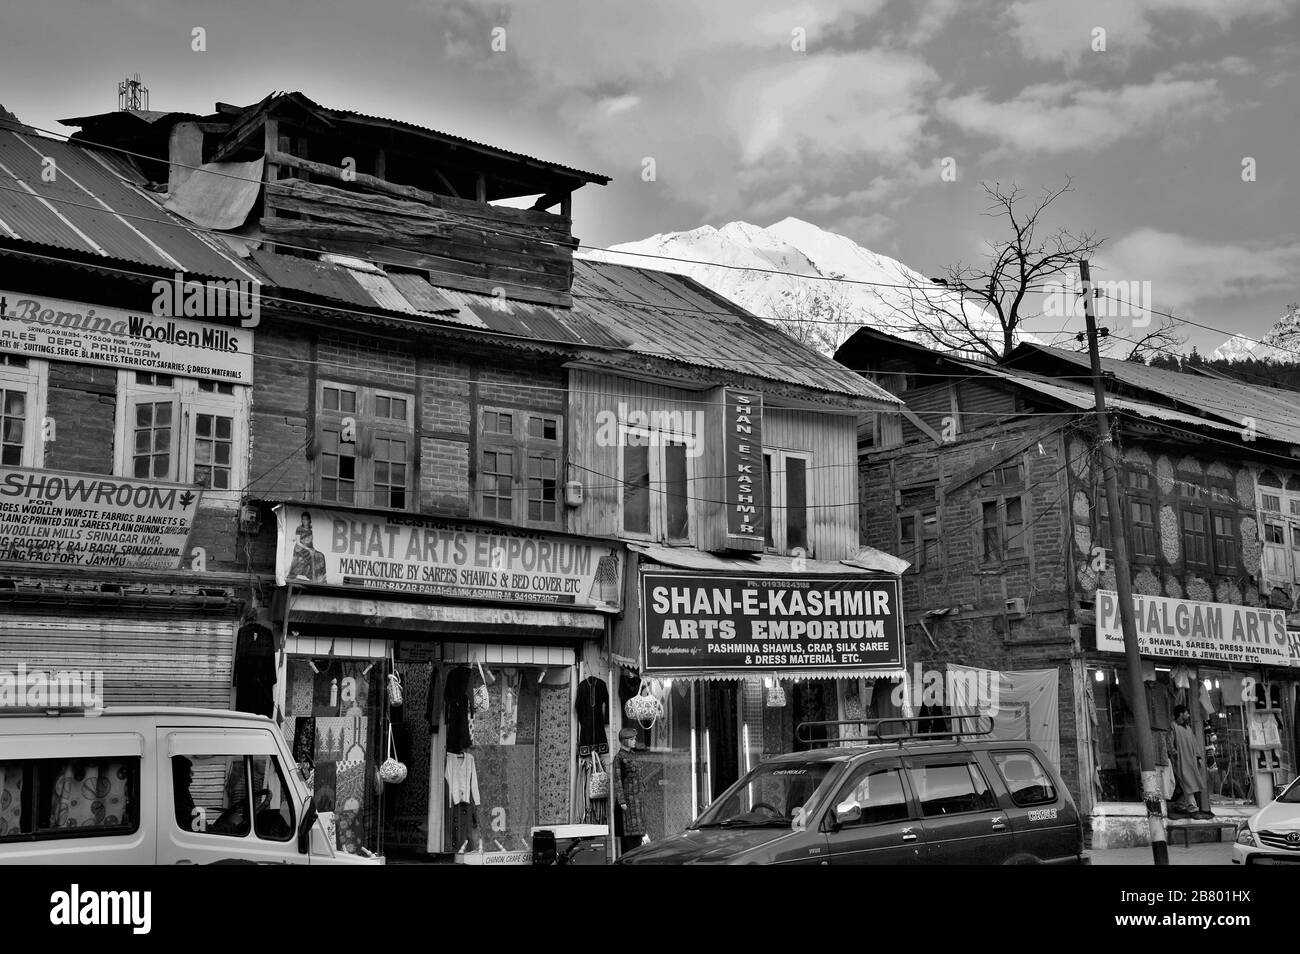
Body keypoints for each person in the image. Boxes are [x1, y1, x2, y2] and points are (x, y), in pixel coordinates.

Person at [1169, 704, 1211, 817]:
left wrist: (1198, 757)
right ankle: (1193, 808)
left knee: (1192, 783)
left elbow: (1194, 743)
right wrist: (1175, 754)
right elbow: (1170, 743)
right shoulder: (1173, 726)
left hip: (1191, 760)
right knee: (1187, 783)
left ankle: (1180, 804)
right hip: (1181, 761)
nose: (1188, 715)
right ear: (1181, 714)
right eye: (1186, 712)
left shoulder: (1188, 728)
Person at [613, 727, 646, 856]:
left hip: (638, 802)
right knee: (629, 842)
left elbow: (639, 776)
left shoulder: (633, 755)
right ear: (624, 740)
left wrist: (642, 788)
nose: (634, 741)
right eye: (631, 739)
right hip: (627, 804)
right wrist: (622, 801)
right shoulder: (619, 758)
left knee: (638, 838)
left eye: (634, 738)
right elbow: (617, 780)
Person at [288, 511, 328, 582]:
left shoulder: (310, 530)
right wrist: (308, 549)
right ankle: (312, 577)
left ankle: (320, 578)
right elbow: (298, 542)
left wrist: (312, 549)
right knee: (310, 554)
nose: (304, 521)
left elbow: (310, 543)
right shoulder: (299, 529)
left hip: (308, 548)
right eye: (303, 519)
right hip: (300, 549)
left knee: (320, 556)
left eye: (306, 519)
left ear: (309, 520)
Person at [173, 756, 198, 831]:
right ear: (178, 778)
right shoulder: (179, 803)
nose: (191, 780)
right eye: (187, 776)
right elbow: (199, 827)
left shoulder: (182, 796)